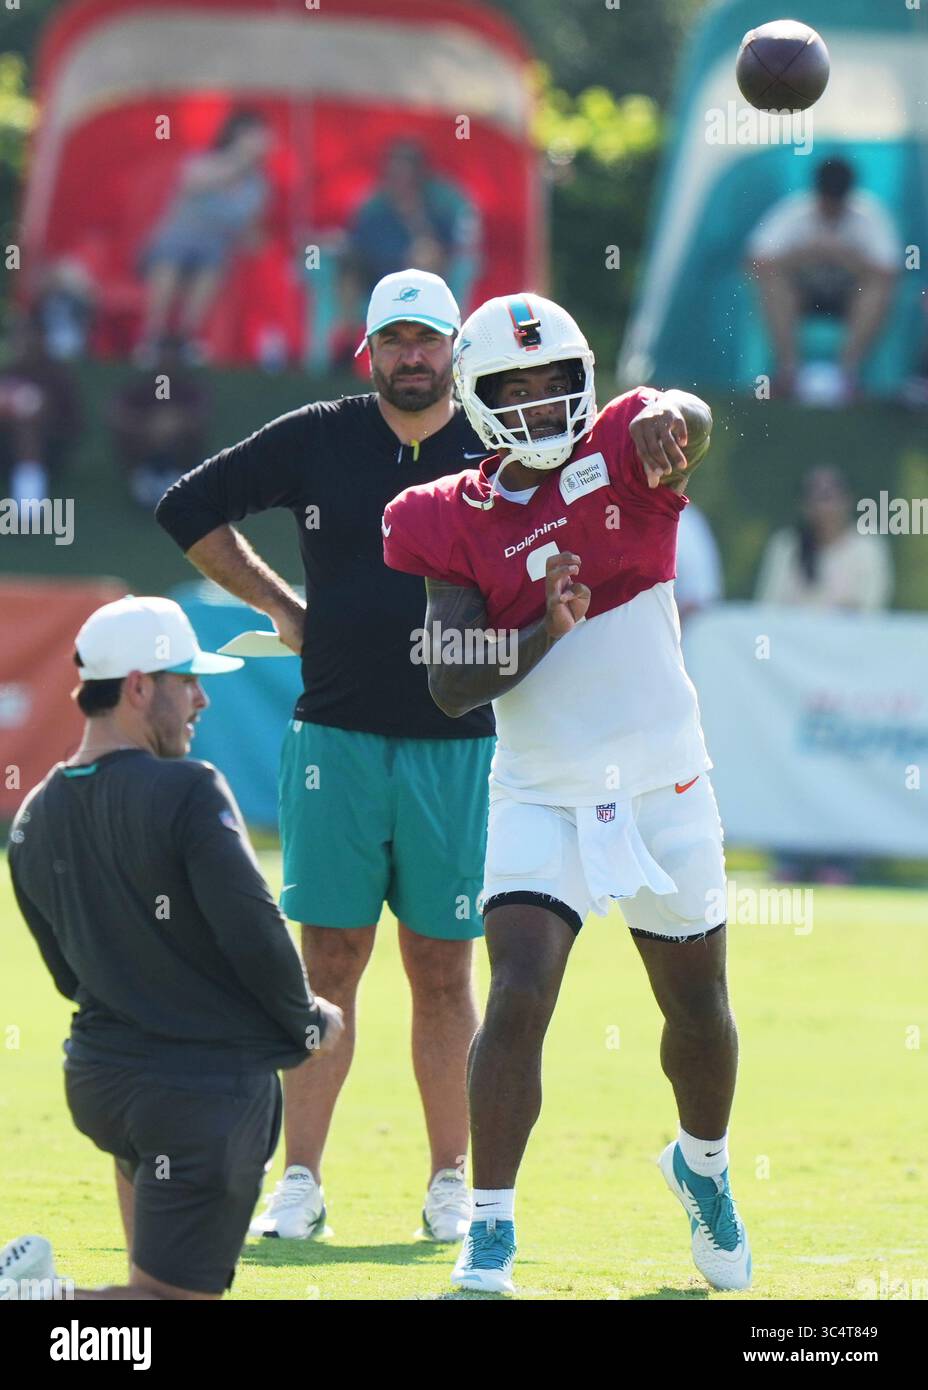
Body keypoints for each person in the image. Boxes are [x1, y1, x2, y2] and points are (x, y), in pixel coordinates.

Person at [382, 292, 751, 1295]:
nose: (542, 402)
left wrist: (683, 417)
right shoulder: (443, 517)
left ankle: (703, 1165)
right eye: (517, 386)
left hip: (666, 782)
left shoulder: (629, 442)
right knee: (518, 987)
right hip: (543, 790)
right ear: (478, 398)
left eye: (556, 382)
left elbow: (682, 417)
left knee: (698, 1009)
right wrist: (541, 632)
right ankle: (490, 1226)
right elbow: (449, 678)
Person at [156, 269, 496, 1244]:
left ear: (454, 350)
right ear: (370, 351)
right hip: (334, 739)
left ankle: (452, 1183)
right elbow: (189, 506)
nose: (414, 356)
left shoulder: (493, 443)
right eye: (396, 340)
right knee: (326, 970)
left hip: (458, 746)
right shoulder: (321, 435)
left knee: (443, 973)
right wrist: (279, 606)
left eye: (430, 339)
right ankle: (297, 1181)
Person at [4, 595, 342, 1300]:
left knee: (145, 1301)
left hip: (103, 1086)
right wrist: (307, 1017)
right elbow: (254, 927)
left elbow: (70, 975)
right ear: (137, 686)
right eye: (187, 680)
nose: (202, 699)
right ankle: (43, 1301)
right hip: (199, 1098)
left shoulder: (32, 814)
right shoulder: (189, 790)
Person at [746, 157, 900, 402]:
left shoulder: (870, 216)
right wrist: (805, 255)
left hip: (849, 297)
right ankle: (789, 372)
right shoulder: (794, 212)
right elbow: (756, 262)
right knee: (773, 283)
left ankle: (846, 374)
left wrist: (847, 259)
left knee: (877, 290)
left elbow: (889, 272)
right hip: (803, 295)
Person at [136, 109, 272, 363]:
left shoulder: (259, 185)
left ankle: (185, 338)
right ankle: (153, 336)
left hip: (216, 247)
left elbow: (249, 232)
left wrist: (258, 242)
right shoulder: (201, 162)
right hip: (176, 237)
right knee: (172, 256)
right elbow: (193, 184)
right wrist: (240, 163)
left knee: (213, 260)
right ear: (240, 136)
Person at [349, 141, 481, 310]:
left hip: (417, 281)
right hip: (373, 277)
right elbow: (357, 244)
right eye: (394, 175)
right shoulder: (375, 212)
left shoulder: (437, 208)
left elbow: (447, 250)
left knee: (425, 253)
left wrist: (414, 218)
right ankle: (345, 334)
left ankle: (421, 318)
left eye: (406, 175)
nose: (401, 183)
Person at [755, 465, 892, 611]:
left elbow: (871, 609)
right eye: (814, 497)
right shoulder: (785, 545)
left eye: (828, 497)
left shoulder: (869, 546)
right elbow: (767, 606)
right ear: (803, 505)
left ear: (848, 500)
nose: (822, 507)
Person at [108, 337, 210, 509]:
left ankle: (167, 476)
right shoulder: (140, 387)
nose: (167, 362)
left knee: (166, 422)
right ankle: (150, 476)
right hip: (141, 450)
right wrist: (149, 425)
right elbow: (118, 413)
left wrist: (172, 421)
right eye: (164, 355)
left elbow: (199, 417)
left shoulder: (190, 389)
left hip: (180, 455)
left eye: (172, 356)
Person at [0, 311, 81, 504]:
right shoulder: (8, 373)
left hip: (47, 449)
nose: (24, 343)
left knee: (27, 425)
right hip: (5, 446)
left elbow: (73, 425)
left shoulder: (57, 375)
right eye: (18, 337)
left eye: (29, 336)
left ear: (42, 339)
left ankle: (28, 505)